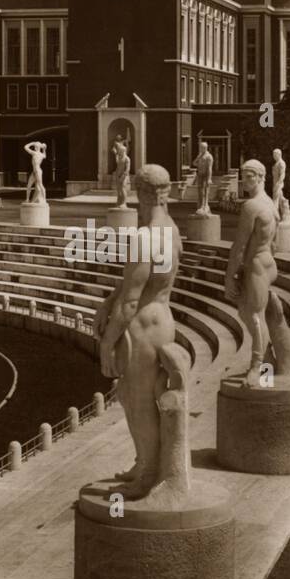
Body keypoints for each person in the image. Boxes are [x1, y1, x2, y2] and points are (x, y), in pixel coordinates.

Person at [94, 164, 186, 501]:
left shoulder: (145, 237)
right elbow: (138, 284)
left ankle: (147, 475)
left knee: (139, 402)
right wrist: (109, 300)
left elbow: (132, 301)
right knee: (137, 399)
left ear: (139, 192)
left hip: (142, 327)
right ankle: (143, 461)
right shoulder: (169, 229)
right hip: (162, 318)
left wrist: (106, 344)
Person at [225, 159, 279, 386]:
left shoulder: (251, 206)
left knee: (254, 316)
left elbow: (239, 245)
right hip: (267, 262)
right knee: (249, 314)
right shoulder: (270, 203)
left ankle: (258, 367)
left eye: (249, 176)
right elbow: (273, 242)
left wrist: (229, 276)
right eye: (243, 175)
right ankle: (267, 366)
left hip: (257, 263)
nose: (244, 180)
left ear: (260, 177)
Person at [192, 141, 213, 216]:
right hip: (200, 175)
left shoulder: (209, 156)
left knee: (205, 191)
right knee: (200, 191)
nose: (201, 149)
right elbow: (194, 163)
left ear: (206, 147)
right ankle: (200, 205)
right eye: (200, 147)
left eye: (202, 147)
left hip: (205, 175)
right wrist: (198, 160)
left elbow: (210, 168)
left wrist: (209, 178)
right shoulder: (200, 155)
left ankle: (205, 205)